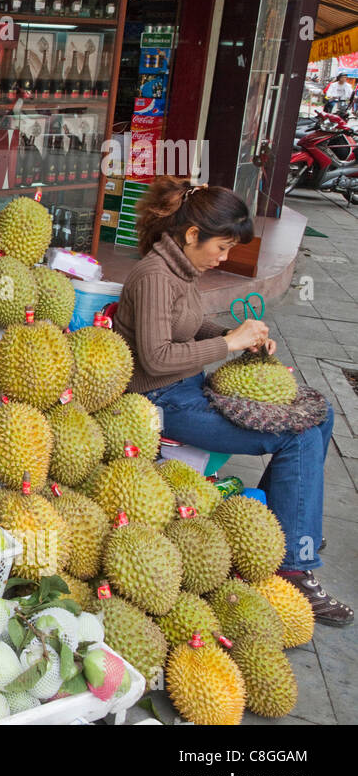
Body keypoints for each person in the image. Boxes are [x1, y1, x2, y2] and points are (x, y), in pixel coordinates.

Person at [114, 175, 352, 627]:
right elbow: (157, 356)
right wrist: (228, 344)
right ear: (191, 235)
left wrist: (240, 338)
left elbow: (194, 326)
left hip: (188, 389)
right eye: (221, 248)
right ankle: (295, 566)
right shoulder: (153, 276)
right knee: (295, 436)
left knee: (318, 413)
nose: (223, 258)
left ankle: (297, 525)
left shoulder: (181, 270)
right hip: (160, 400)